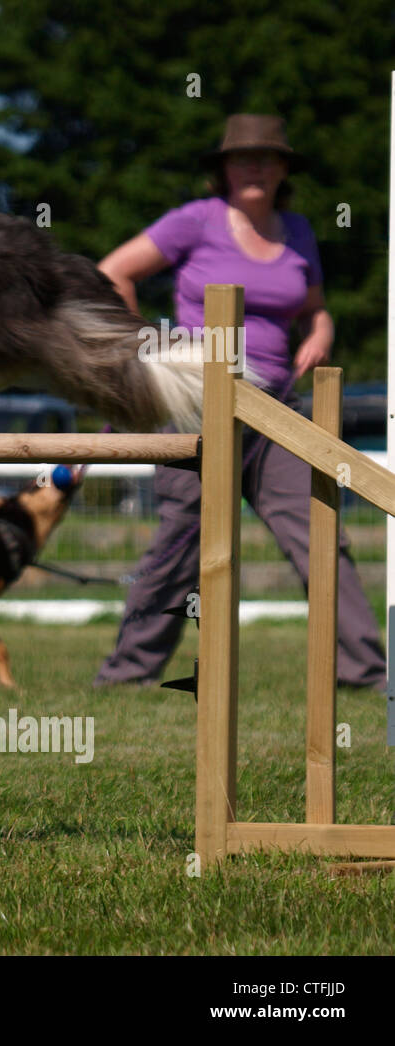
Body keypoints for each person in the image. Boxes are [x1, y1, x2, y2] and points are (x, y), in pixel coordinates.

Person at [94, 114, 385, 689]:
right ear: (223, 170)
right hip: (198, 406)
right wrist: (150, 354)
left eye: (267, 158)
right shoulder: (193, 221)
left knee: (320, 531)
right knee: (183, 543)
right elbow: (112, 273)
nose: (254, 167)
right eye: (242, 158)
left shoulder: (297, 230)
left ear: (283, 170)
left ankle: (366, 672)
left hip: (278, 409)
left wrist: (321, 330)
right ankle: (127, 674)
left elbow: (314, 305)